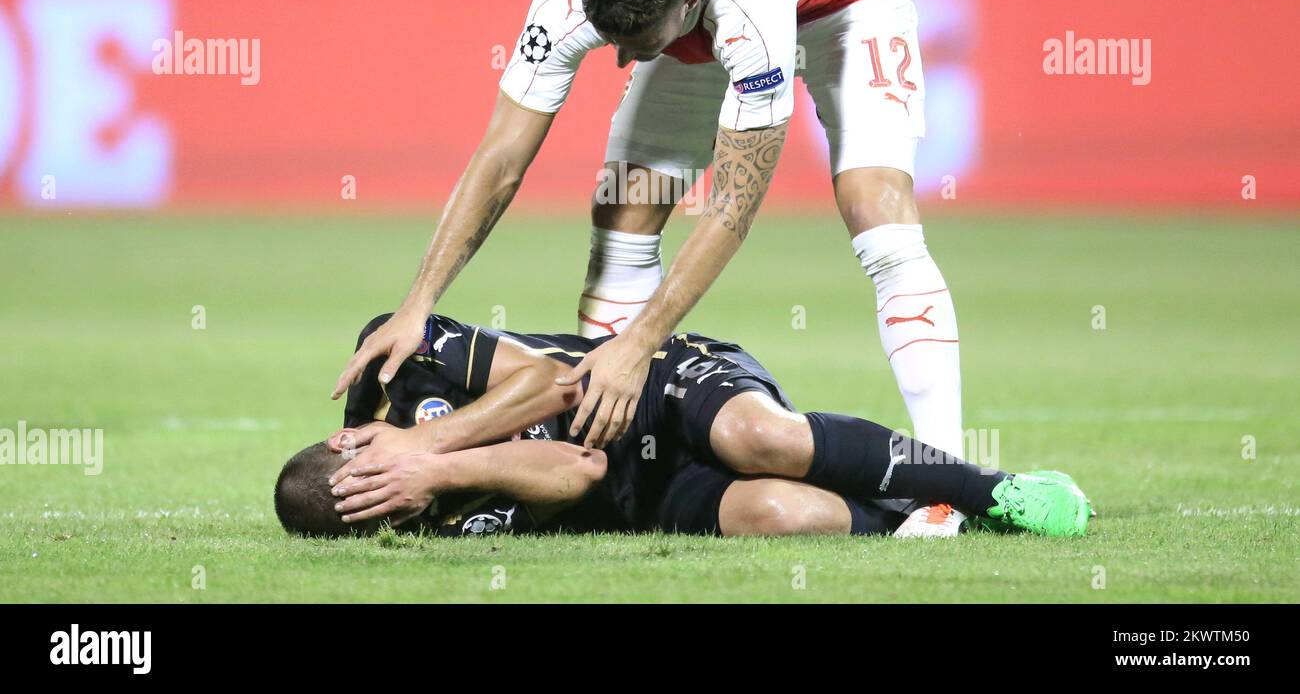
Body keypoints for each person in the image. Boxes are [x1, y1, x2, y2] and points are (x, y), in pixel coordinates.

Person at [336, 0, 966, 535]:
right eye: (612, 40)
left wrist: (640, 344)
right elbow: (501, 156)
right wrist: (417, 303)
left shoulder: (749, 13)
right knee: (624, 212)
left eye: (638, 44)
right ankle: (627, 460)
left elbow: (730, 209)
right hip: (705, 9)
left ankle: (948, 480)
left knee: (876, 210)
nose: (623, 61)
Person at [297, 313, 1091, 539]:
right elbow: (580, 472)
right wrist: (437, 479)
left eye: (372, 483)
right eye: (379, 514)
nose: (392, 501)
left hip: (654, 379)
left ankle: (995, 489)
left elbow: (550, 380)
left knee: (763, 440)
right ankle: (916, 518)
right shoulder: (425, 513)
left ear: (348, 441)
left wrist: (429, 445)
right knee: (777, 514)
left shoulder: (397, 363)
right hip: (635, 492)